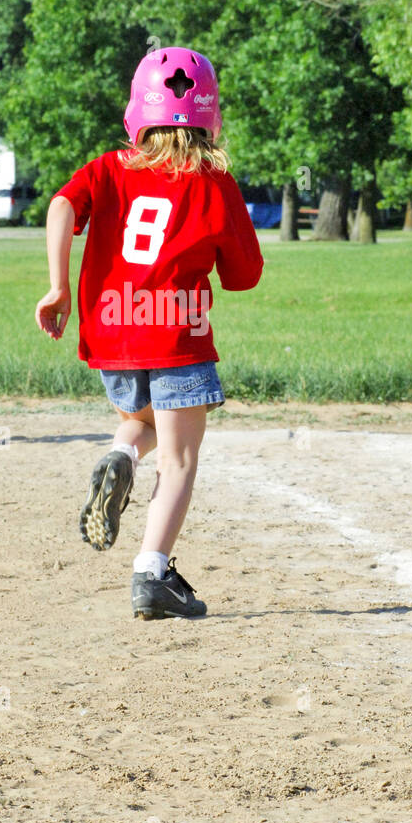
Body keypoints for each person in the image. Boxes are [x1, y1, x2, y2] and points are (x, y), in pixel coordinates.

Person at [35, 47, 263, 619]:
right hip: (177, 336)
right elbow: (244, 276)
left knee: (139, 423)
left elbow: (62, 206)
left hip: (115, 331)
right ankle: (151, 572)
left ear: (140, 110)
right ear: (208, 115)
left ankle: (119, 453)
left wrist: (58, 285)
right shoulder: (212, 179)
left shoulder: (109, 168)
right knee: (180, 459)